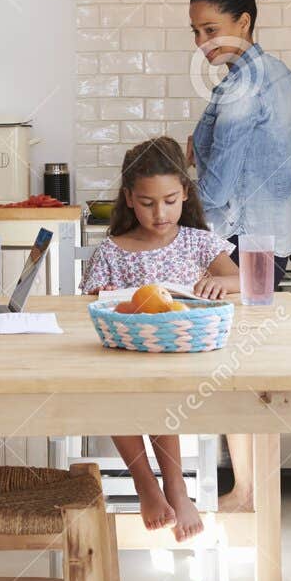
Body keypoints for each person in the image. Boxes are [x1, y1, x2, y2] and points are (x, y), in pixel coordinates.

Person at [185, 0, 291, 513]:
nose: (202, 42)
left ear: (244, 23)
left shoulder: (242, 85)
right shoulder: (273, 73)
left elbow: (222, 177)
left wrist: (184, 227)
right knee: (241, 369)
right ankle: (250, 491)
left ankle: (254, 494)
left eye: (211, 29)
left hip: (239, 237)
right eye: (196, 31)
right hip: (265, 237)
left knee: (240, 372)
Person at [83, 137, 241, 541]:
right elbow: (88, 307)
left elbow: (241, 278)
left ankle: (175, 485)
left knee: (155, 388)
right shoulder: (112, 251)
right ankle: (145, 482)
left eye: (170, 200)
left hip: (184, 361)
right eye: (148, 202)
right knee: (115, 389)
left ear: (185, 194)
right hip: (124, 361)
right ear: (129, 200)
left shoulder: (197, 242)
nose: (160, 213)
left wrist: (218, 282)